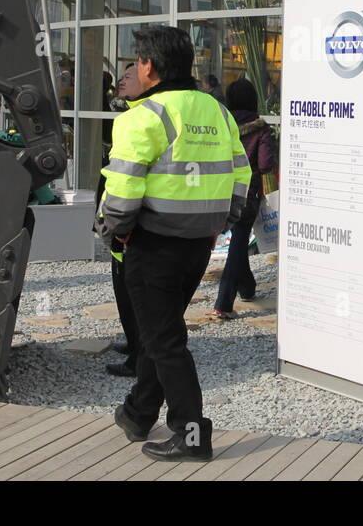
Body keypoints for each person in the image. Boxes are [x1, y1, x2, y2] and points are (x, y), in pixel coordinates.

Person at [96, 26, 250, 462]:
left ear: (149, 66)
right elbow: (242, 173)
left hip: (153, 241)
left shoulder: (144, 115)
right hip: (199, 242)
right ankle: (139, 412)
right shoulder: (216, 110)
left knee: (164, 339)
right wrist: (226, 220)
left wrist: (117, 229)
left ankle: (191, 435)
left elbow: (123, 184)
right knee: (158, 331)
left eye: (137, 60)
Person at [211, 78, 277, 318]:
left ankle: (247, 287)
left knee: (239, 242)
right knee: (238, 243)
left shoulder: (220, 124)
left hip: (219, 189)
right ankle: (223, 302)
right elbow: (265, 164)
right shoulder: (260, 128)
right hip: (247, 192)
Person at [104, 64, 146, 378]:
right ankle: (134, 343)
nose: (121, 80)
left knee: (136, 296)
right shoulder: (125, 114)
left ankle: (139, 358)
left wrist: (117, 224)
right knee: (123, 290)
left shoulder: (143, 119)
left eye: (128, 76)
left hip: (130, 228)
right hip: (120, 226)